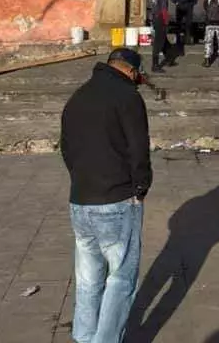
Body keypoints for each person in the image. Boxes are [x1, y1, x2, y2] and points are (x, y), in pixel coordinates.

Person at [60, 47, 152, 343]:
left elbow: (66, 148)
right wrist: (140, 187)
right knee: (121, 279)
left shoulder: (77, 97)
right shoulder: (128, 98)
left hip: (81, 199)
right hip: (117, 199)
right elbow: (139, 150)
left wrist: (80, 180)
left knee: (88, 277)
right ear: (129, 71)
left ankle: (84, 336)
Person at [149, 0, 175, 71]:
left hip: (155, 19)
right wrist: (167, 22)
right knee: (158, 43)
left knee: (164, 41)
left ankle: (169, 59)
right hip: (161, 20)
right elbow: (164, 11)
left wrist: (152, 21)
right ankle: (155, 65)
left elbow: (152, 8)